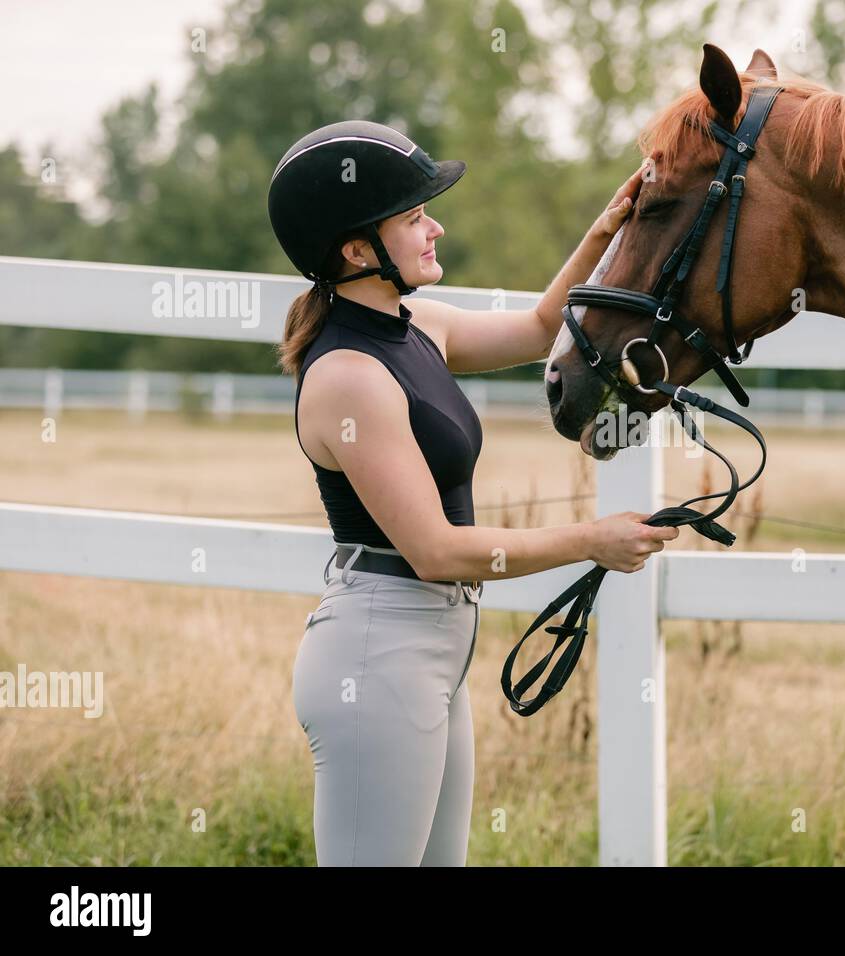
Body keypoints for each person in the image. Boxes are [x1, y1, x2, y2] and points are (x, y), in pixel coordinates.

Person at [266, 119, 678, 866]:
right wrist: (592, 540)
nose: (436, 227)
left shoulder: (412, 323)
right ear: (358, 251)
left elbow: (540, 326)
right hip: (382, 651)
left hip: (428, 648)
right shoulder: (349, 376)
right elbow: (434, 550)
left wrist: (607, 230)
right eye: (414, 218)